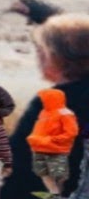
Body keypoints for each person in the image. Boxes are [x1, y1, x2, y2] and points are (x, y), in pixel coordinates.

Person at [5, 14, 89, 199]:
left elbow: (20, 166)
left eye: (41, 51)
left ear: (56, 56)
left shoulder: (54, 102)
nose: (39, 58)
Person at [27, 88, 79, 198]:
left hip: (56, 150)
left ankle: (61, 194)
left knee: (59, 174)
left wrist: (49, 140)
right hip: (38, 148)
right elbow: (40, 128)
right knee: (42, 172)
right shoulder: (44, 112)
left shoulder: (66, 114)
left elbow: (71, 133)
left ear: (53, 99)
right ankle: (53, 193)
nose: (42, 100)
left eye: (44, 98)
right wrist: (33, 138)